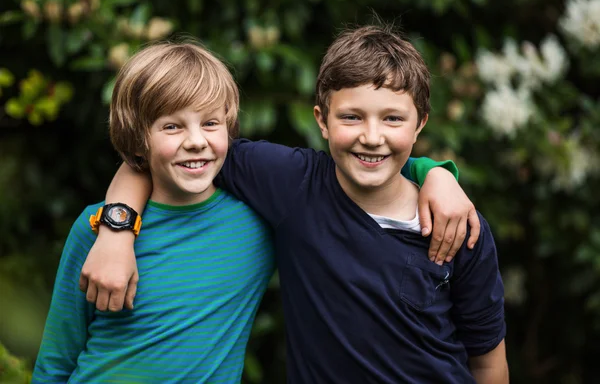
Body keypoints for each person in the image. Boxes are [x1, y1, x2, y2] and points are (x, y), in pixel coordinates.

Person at [80, 24, 506, 383]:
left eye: (392, 119)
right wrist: (117, 230)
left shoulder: (458, 225)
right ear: (321, 119)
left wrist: (435, 173)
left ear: (421, 124)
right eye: (351, 117)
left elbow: (488, 360)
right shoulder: (291, 184)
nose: (372, 136)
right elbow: (156, 156)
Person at [32, 42, 276, 382]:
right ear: (137, 139)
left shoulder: (259, 224)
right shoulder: (97, 227)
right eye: (172, 127)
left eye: (210, 123)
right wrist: (115, 232)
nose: (195, 141)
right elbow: (56, 361)